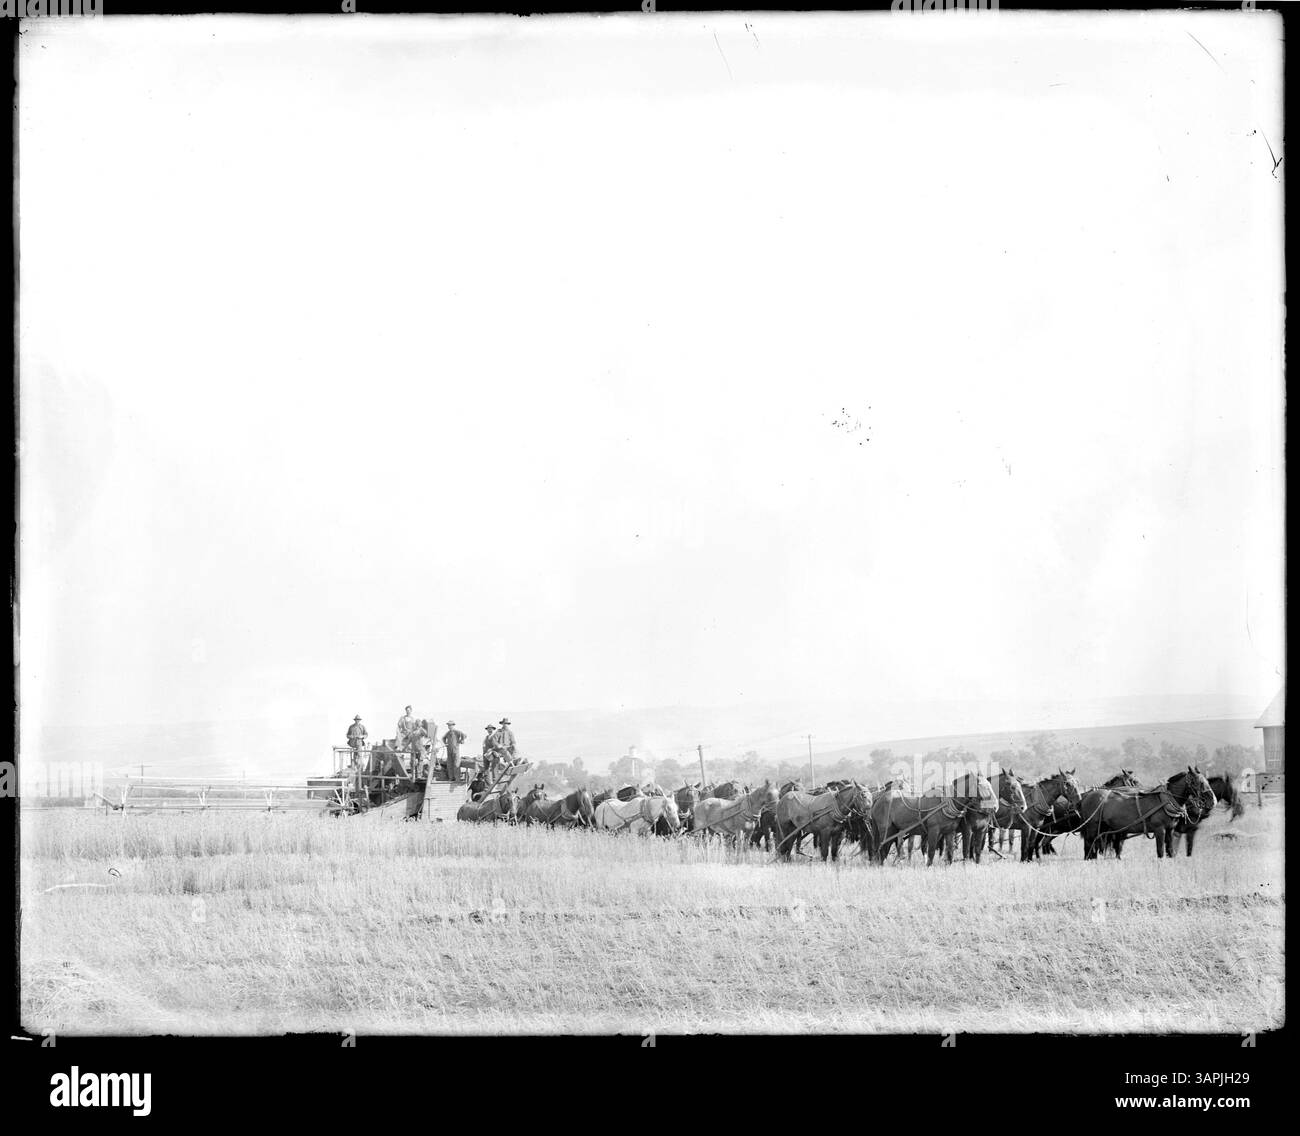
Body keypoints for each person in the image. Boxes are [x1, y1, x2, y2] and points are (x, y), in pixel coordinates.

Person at [443, 721, 467, 791]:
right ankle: (451, 778)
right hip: (449, 750)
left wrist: (461, 741)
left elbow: (464, 735)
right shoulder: (448, 733)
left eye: (450, 725)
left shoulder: (457, 732)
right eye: (448, 725)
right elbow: (443, 738)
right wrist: (445, 743)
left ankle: (457, 779)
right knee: (449, 764)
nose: (449, 726)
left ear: (453, 726)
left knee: (456, 764)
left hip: (455, 750)